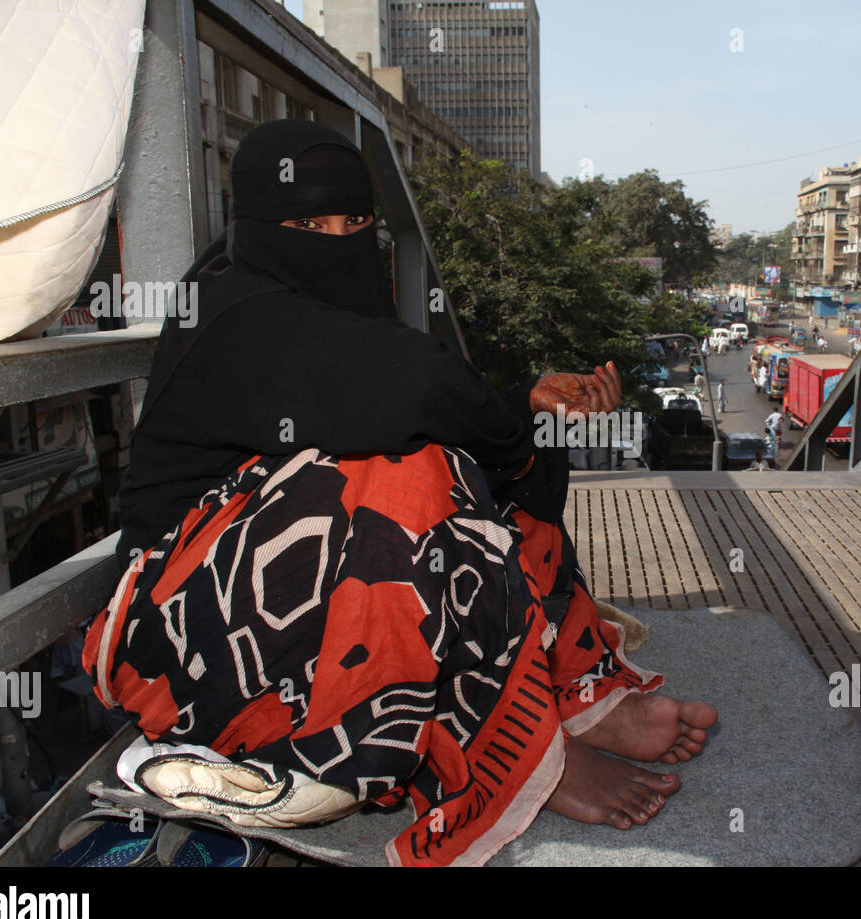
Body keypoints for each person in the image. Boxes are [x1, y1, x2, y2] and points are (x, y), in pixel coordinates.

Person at [83, 120, 716, 867]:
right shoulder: (234, 310)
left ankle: (582, 700)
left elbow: (429, 402)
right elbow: (414, 386)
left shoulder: (312, 308)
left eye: (355, 222)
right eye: (307, 225)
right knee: (409, 475)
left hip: (277, 608)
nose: (336, 240)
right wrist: (507, 419)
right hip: (176, 638)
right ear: (253, 229)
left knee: (457, 462)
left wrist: (526, 407)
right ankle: (513, 756)